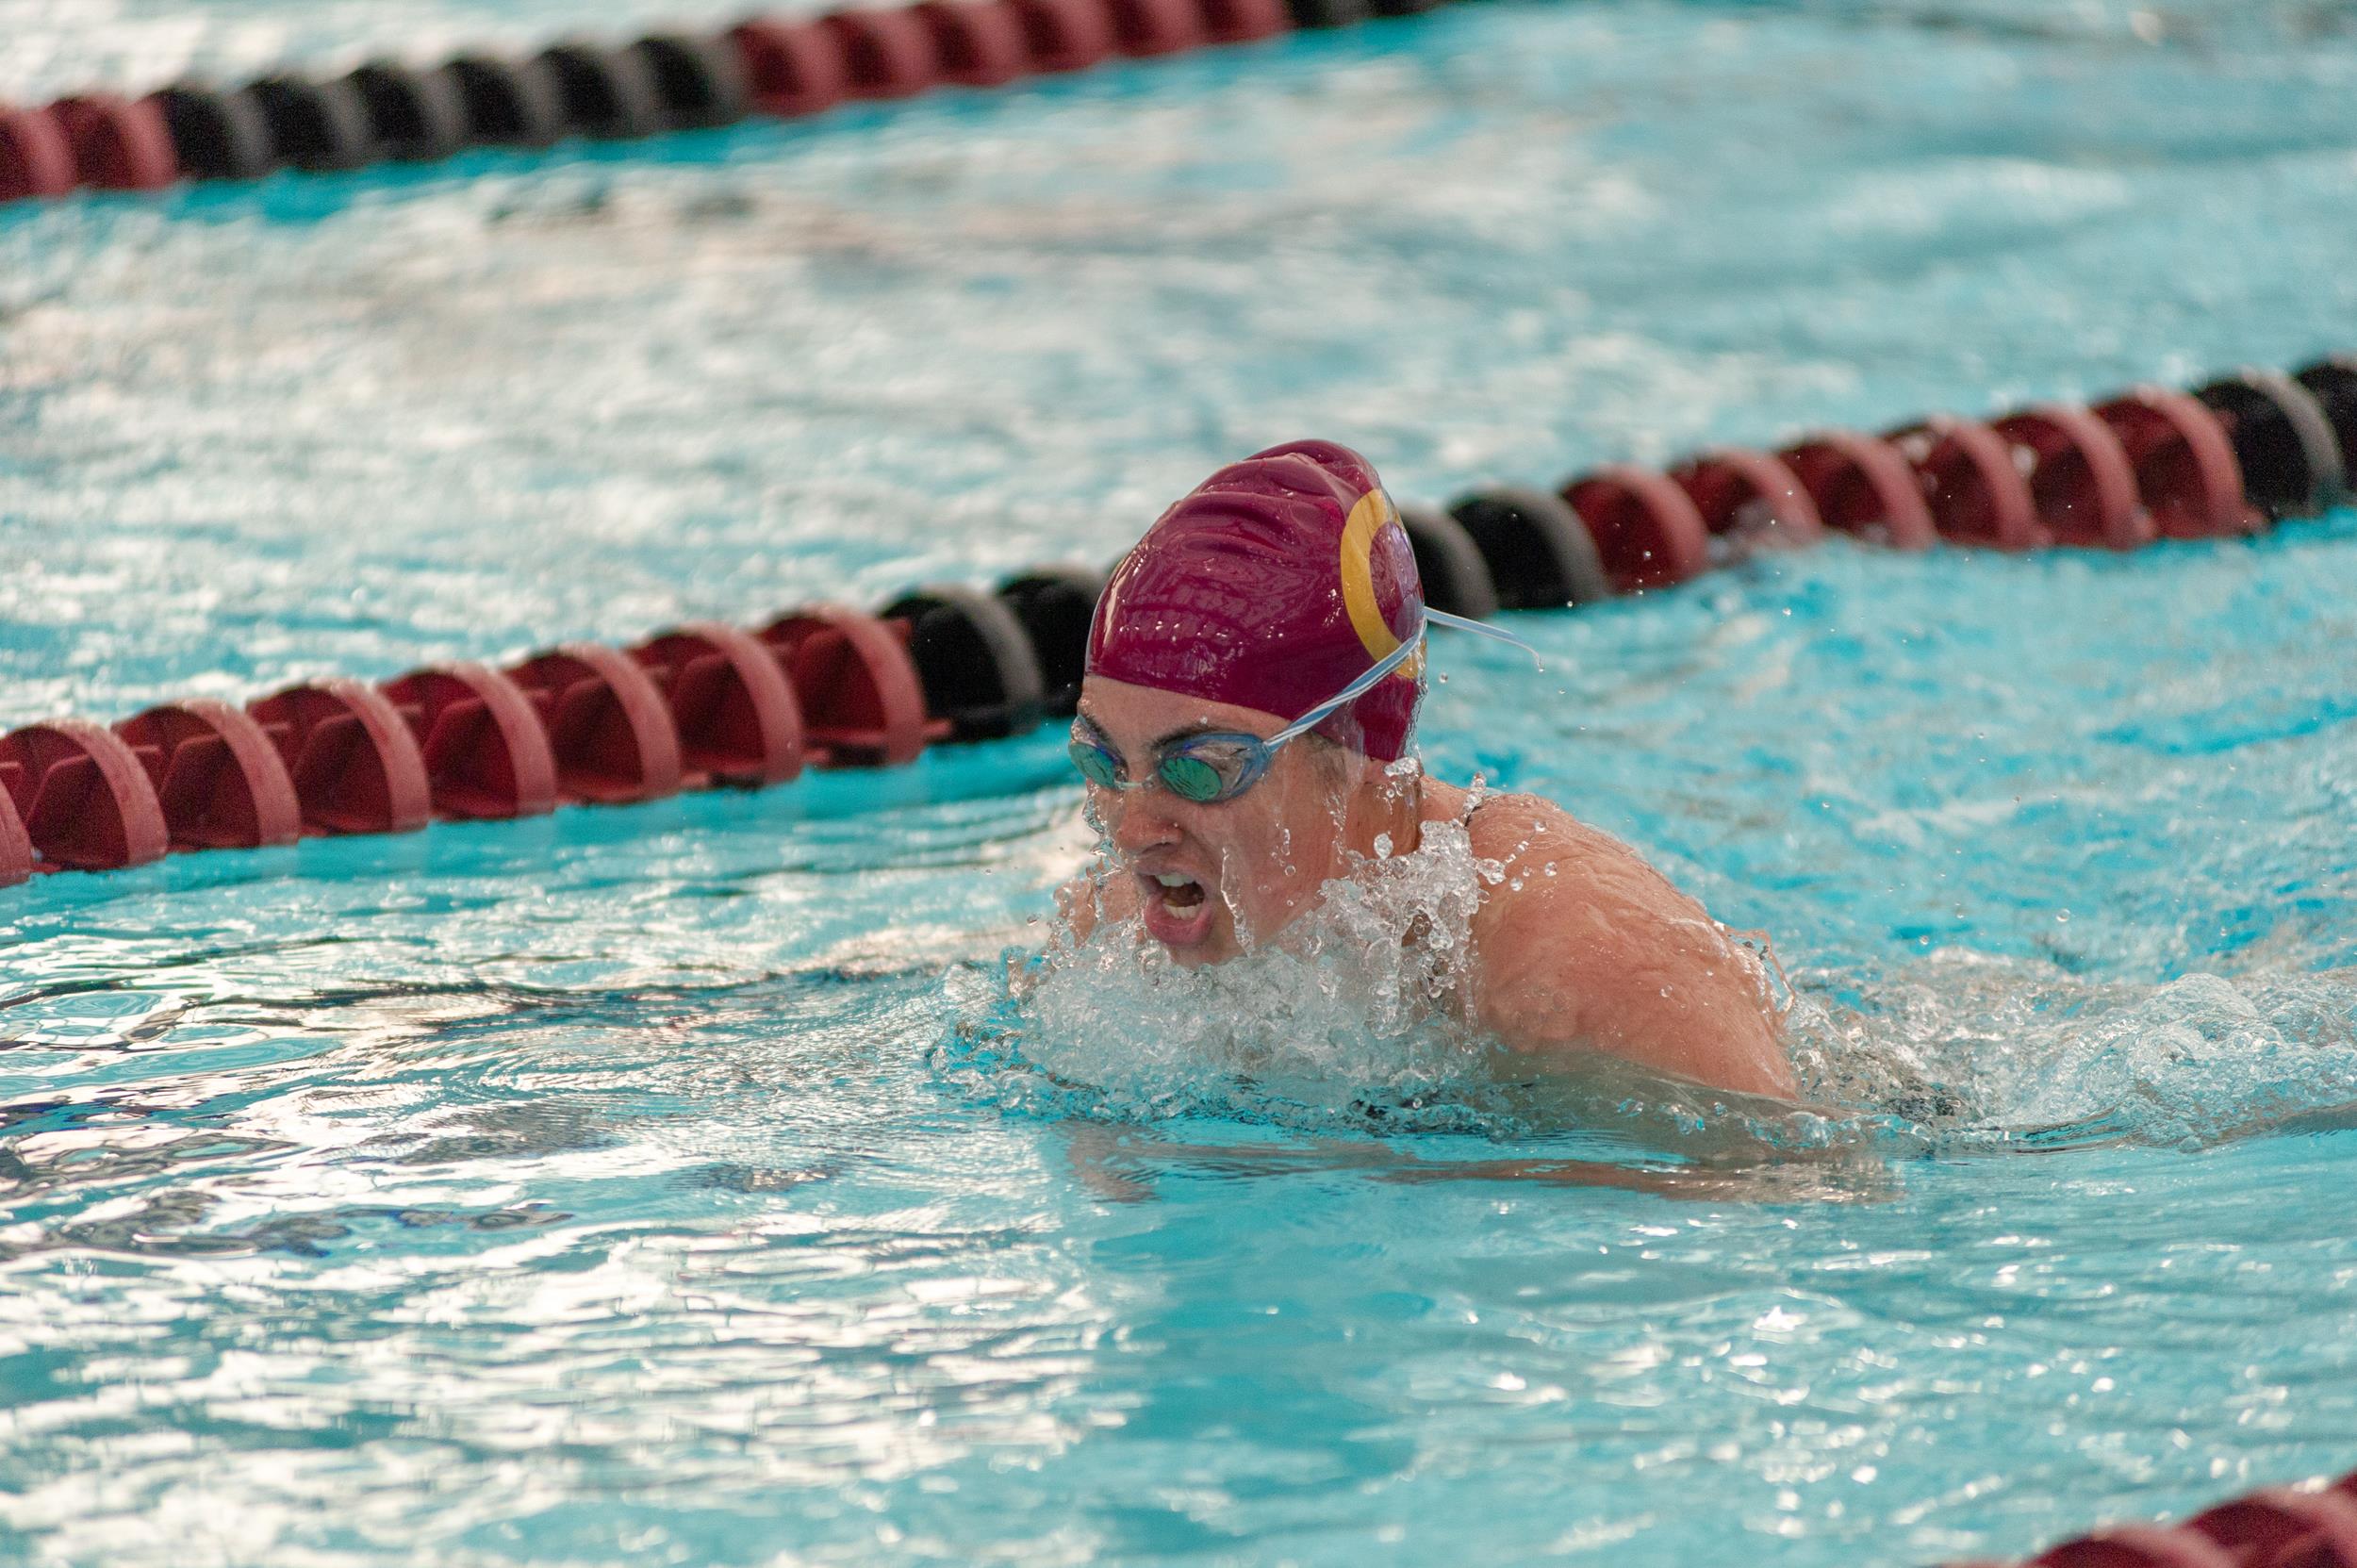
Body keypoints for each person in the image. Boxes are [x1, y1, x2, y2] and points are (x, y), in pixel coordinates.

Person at [1056, 439, 1796, 1100]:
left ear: (1363, 756)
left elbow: (1792, 1188)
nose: (1133, 829)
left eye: (1199, 769)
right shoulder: (1115, 934)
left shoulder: (1572, 970)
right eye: (1104, 759)